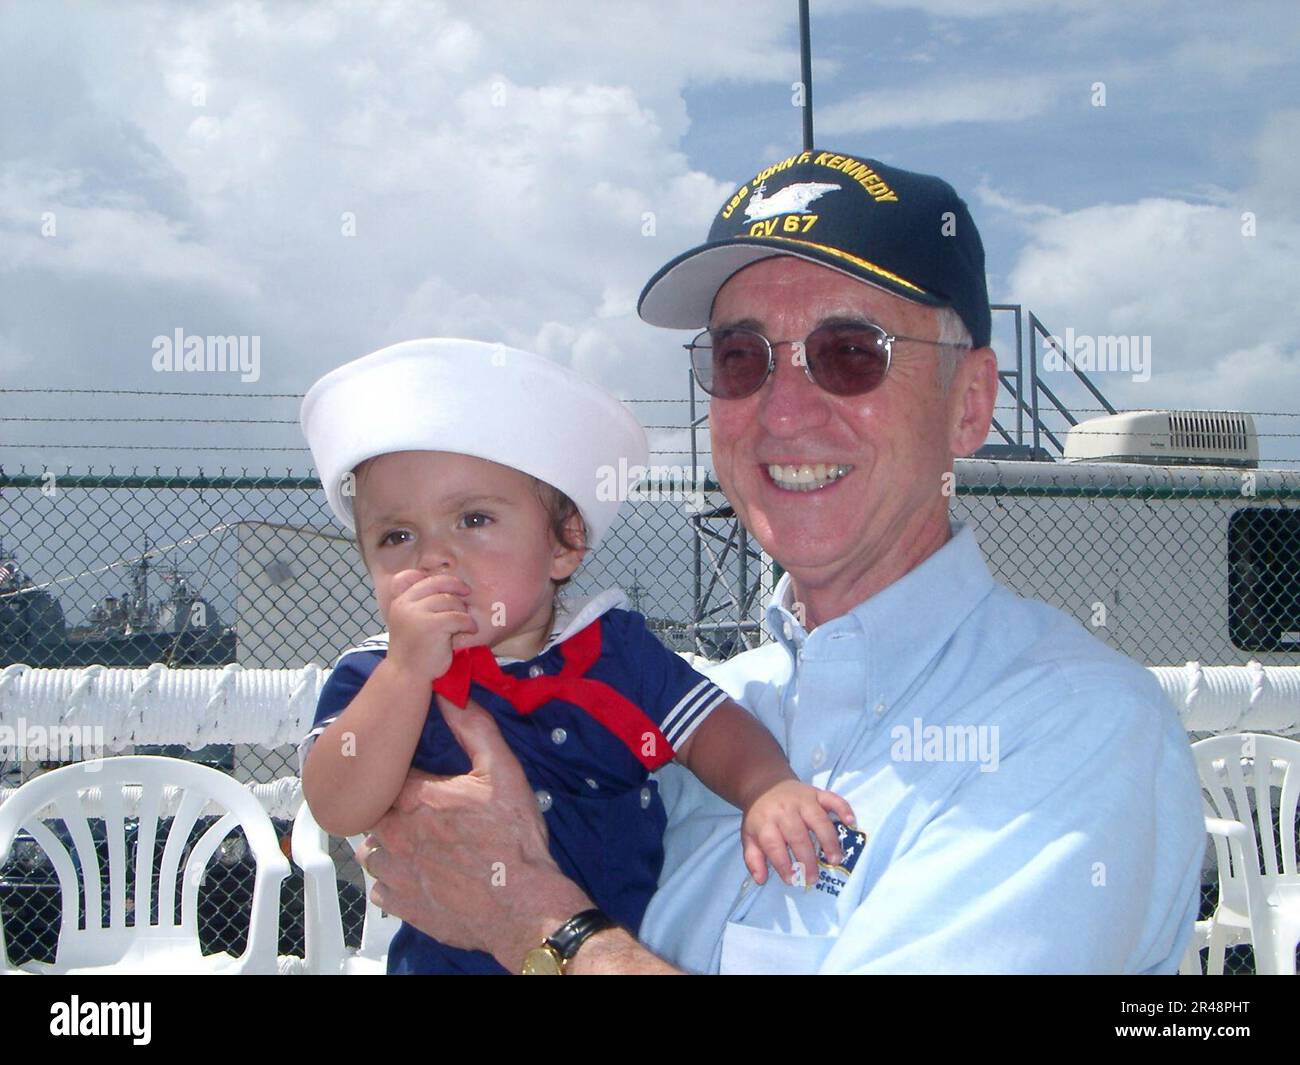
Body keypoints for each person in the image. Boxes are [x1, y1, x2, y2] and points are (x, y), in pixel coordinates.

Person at [356, 150, 1207, 974]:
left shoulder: (1072, 728)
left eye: (849, 353)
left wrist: (539, 927)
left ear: (971, 402)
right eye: (741, 358)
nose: (784, 410)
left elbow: (517, 905)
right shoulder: (714, 711)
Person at [297, 337, 854, 974]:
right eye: (395, 536)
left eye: (473, 519)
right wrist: (403, 673)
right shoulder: (376, 676)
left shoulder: (613, 651)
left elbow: (707, 729)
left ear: (564, 544)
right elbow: (338, 805)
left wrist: (767, 786)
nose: (433, 556)